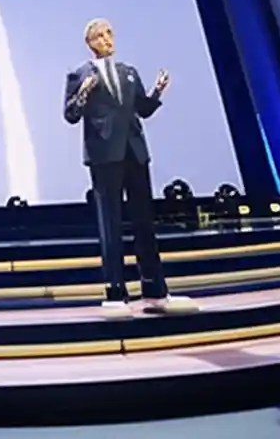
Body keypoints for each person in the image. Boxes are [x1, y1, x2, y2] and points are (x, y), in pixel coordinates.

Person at [63, 18, 198, 318]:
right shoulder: (79, 74)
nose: (107, 38)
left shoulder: (128, 72)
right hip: (103, 155)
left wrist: (157, 92)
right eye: (100, 35)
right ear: (90, 43)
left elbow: (142, 109)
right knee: (109, 225)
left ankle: (155, 289)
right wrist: (84, 93)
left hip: (135, 153)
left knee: (144, 223)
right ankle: (115, 292)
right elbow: (70, 114)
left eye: (110, 33)